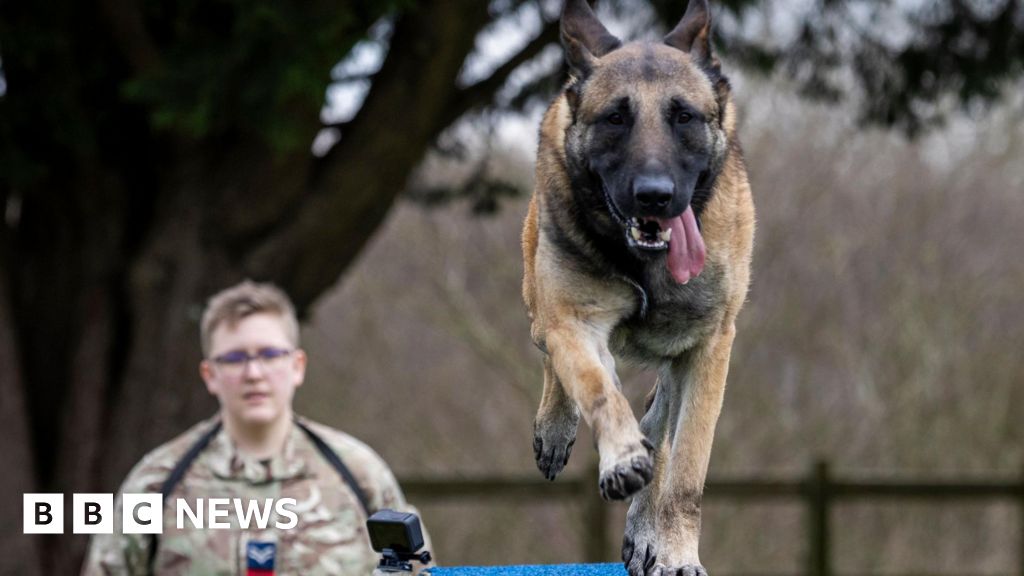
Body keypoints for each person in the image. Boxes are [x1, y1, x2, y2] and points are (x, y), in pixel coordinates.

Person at [82, 280, 431, 575]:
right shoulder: (157, 484)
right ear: (210, 375)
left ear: (297, 366)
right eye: (234, 358)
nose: (253, 373)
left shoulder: (360, 477)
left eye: (269, 355)